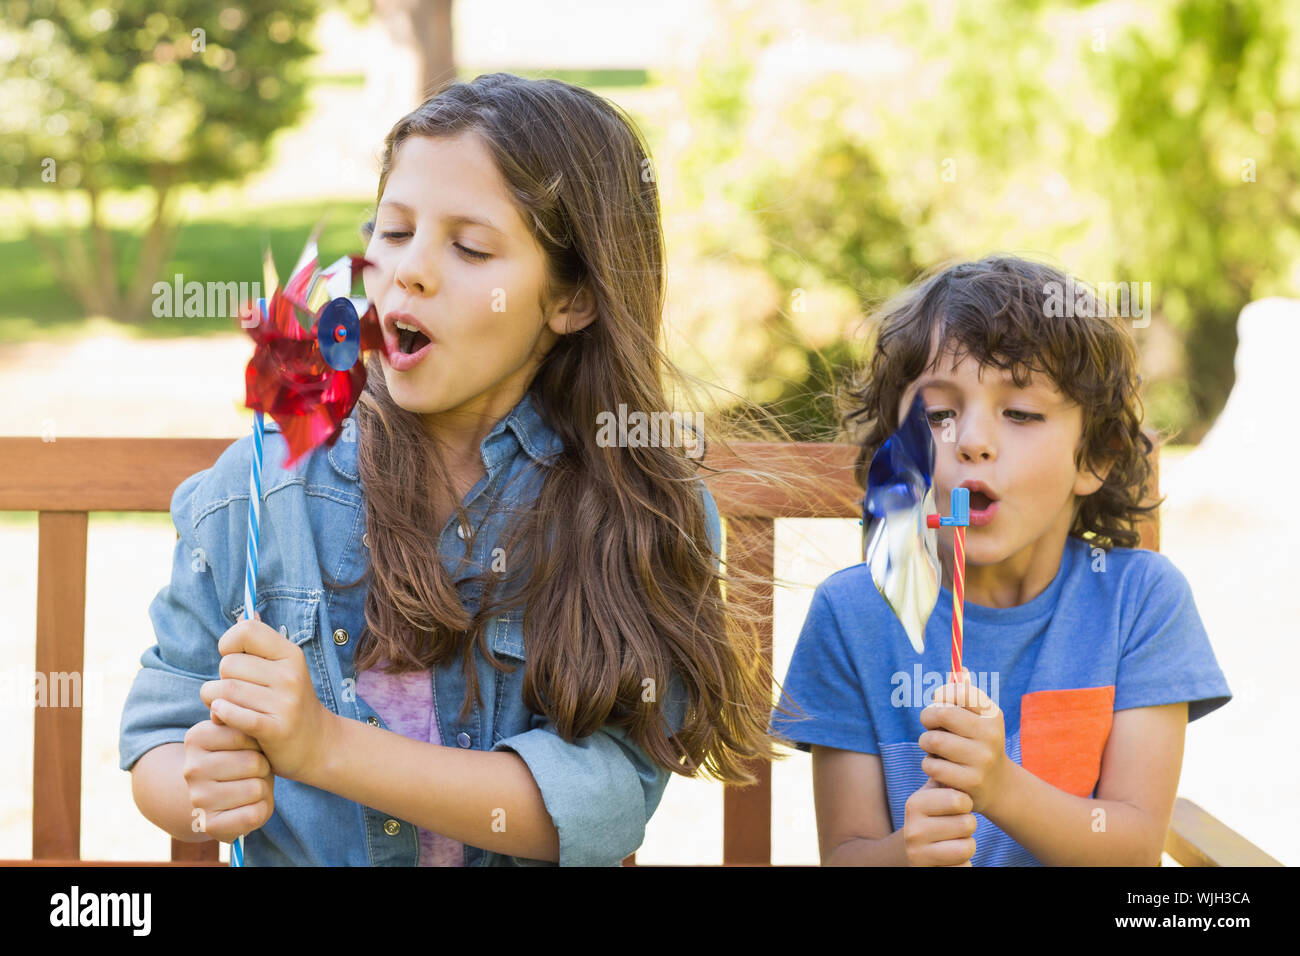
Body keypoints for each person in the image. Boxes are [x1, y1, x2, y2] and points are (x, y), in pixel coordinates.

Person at [120, 73, 779, 866]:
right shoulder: (261, 489)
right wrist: (199, 785)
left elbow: (605, 806)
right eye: (393, 234)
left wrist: (324, 747)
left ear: (572, 299)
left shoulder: (636, 509)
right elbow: (160, 731)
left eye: (469, 247)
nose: (410, 270)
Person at [771, 255, 1232, 866]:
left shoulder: (1140, 602)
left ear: (1094, 457)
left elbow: (1132, 849)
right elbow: (847, 856)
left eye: (1020, 413)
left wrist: (1001, 788)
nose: (972, 440)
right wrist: (907, 853)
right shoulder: (853, 613)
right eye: (938, 415)